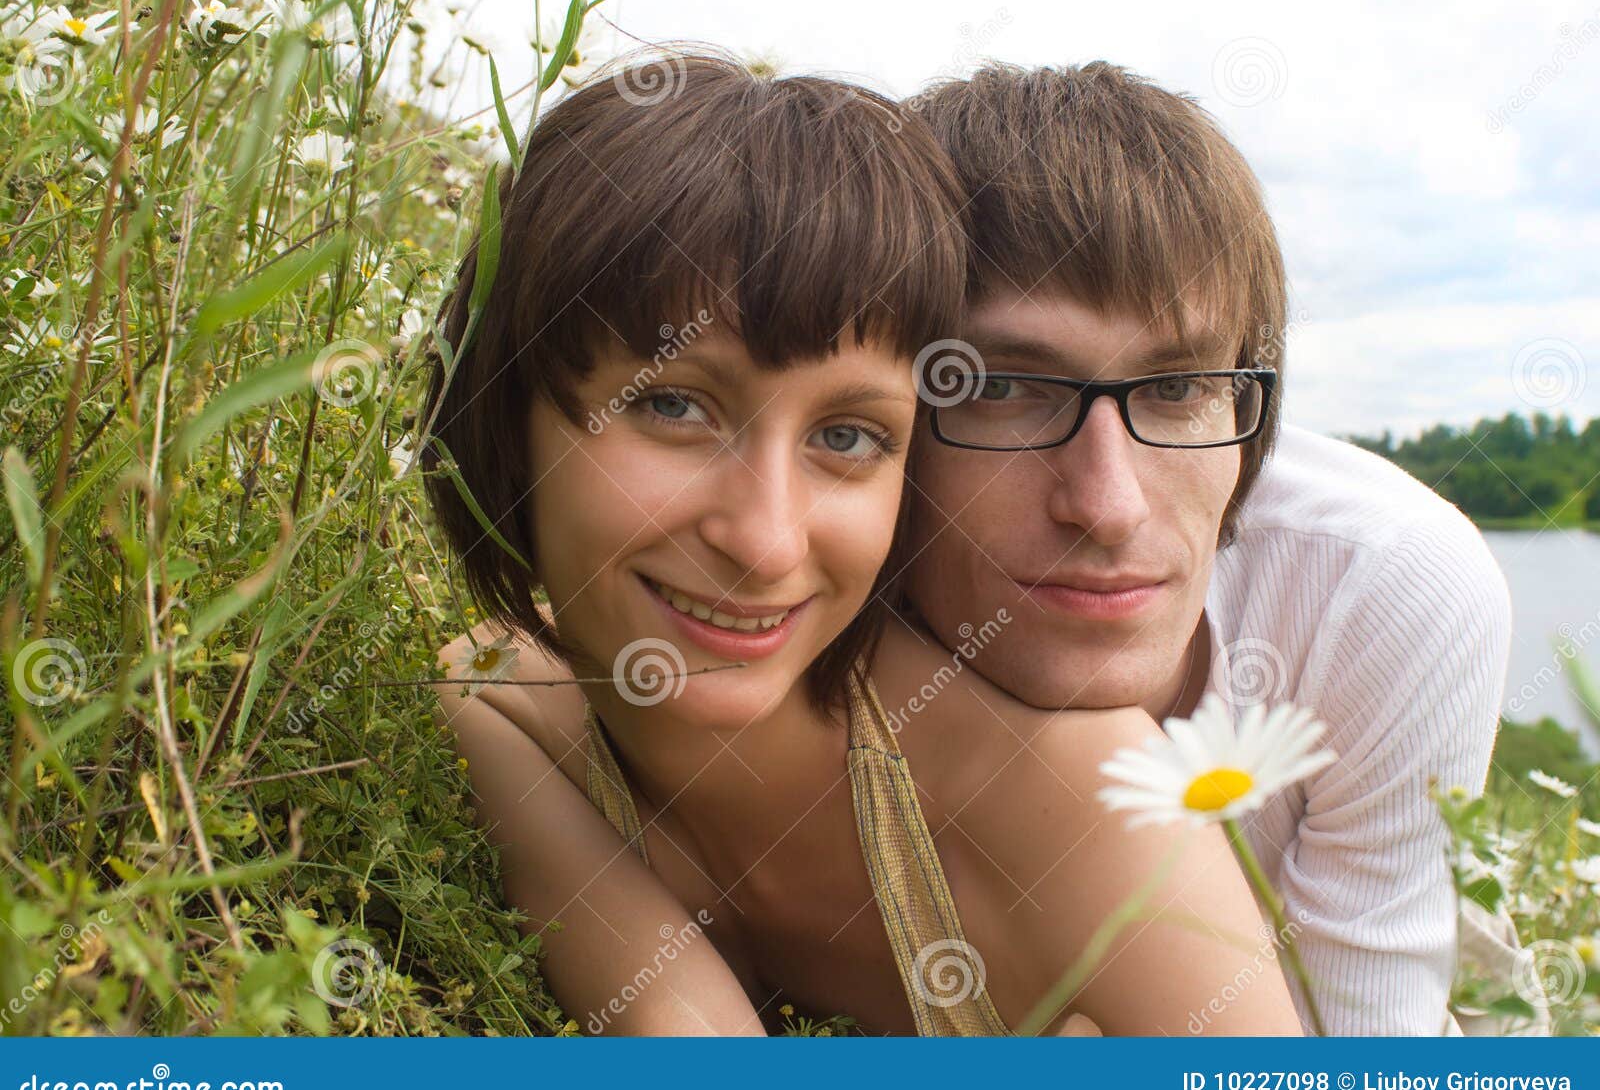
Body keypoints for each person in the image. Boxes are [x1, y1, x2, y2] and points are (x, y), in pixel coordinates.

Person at [425, 50, 1304, 1036]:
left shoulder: (1084, 799)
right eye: (673, 405)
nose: (763, 540)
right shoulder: (504, 704)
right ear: (501, 415)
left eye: (846, 436)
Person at [899, 61, 1520, 1035]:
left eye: (1177, 387)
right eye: (1003, 386)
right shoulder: (796, 590)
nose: (1106, 507)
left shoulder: (1383, 588)